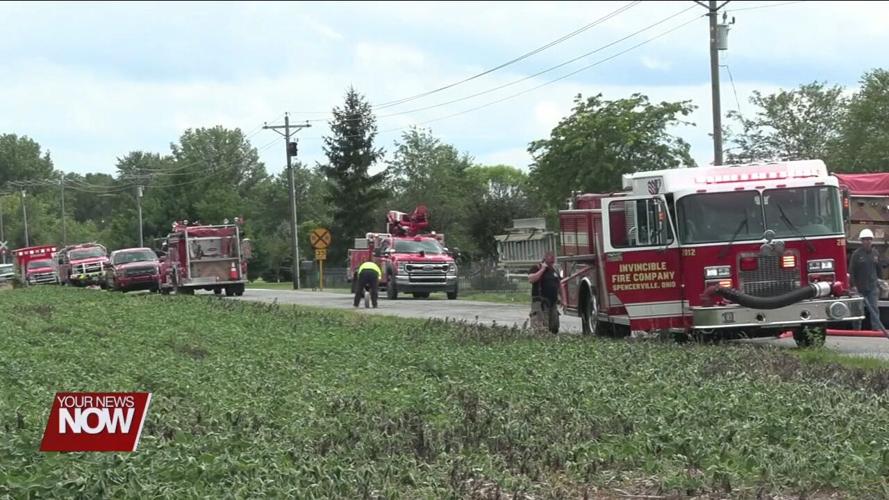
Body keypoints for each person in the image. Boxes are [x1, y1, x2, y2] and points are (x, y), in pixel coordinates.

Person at [849, 228, 885, 331]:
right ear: (861, 241)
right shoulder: (856, 254)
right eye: (865, 239)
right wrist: (853, 286)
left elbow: (879, 269)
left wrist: (880, 281)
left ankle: (876, 329)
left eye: (869, 239)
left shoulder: (875, 253)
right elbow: (852, 271)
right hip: (859, 288)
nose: (867, 241)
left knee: (874, 308)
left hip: (872, 287)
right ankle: (856, 330)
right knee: (858, 310)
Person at [528, 251, 566, 334]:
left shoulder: (554, 270)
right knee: (541, 327)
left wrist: (563, 299)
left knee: (554, 326)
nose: (552, 260)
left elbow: (560, 285)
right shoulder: (536, 268)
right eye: (550, 258)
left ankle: (552, 338)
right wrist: (542, 269)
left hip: (552, 303)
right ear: (545, 258)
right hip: (540, 302)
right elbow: (531, 279)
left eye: (553, 259)